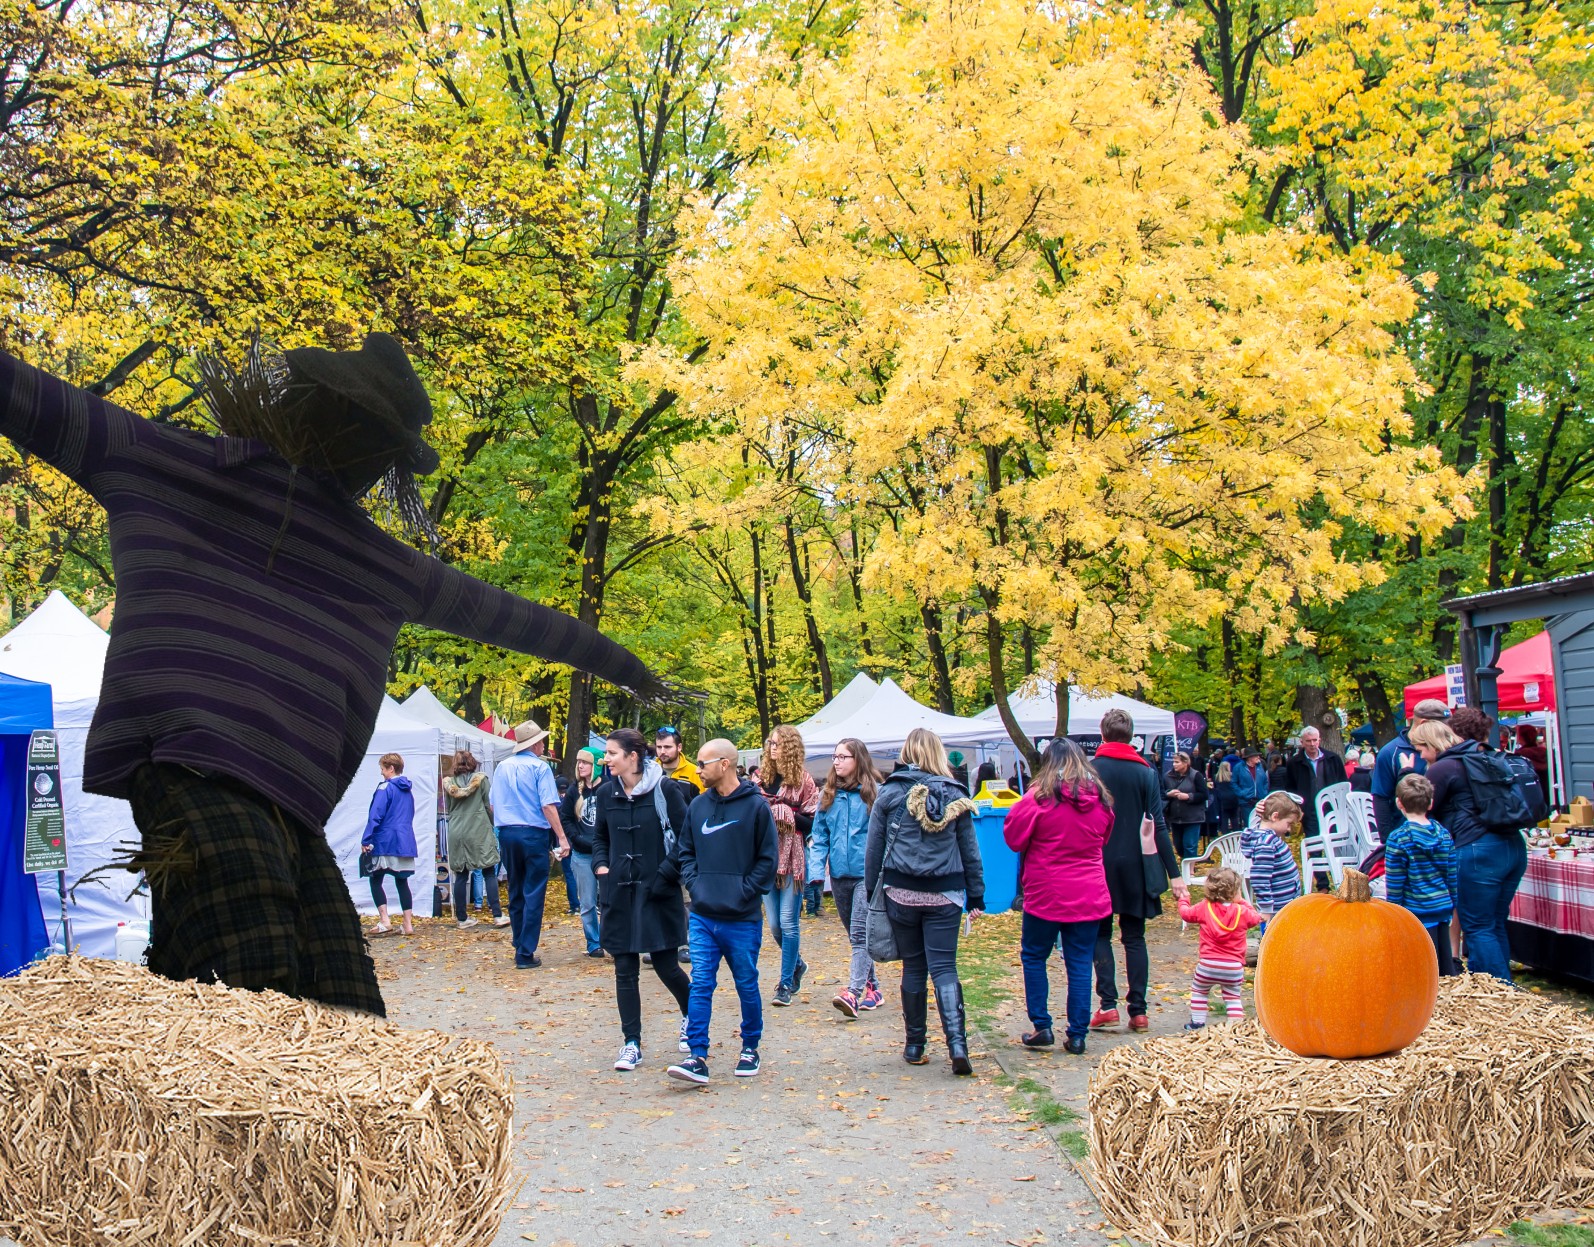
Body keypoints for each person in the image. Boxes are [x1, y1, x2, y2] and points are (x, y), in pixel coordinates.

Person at [0, 335, 660, 1016]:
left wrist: (633, 671)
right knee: (251, 955)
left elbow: (515, 618)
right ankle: (210, 1100)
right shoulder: (172, 464)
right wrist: (632, 671)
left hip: (286, 799)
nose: (370, 463)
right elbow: (27, 395)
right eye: (371, 443)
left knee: (346, 1001)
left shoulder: (372, 558)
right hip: (190, 759)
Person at [865, 728, 983, 1075]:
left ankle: (915, 1044)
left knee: (914, 967)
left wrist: (875, 890)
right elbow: (969, 851)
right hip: (945, 894)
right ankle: (957, 1045)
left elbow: (874, 850)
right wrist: (976, 893)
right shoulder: (956, 794)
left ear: (906, 752)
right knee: (945, 968)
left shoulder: (890, 792)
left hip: (900, 892)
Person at [666, 739, 778, 1084]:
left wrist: (745, 893)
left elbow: (767, 860)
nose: (697, 769)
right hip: (703, 915)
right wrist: (697, 887)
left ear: (725, 764)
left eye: (703, 763)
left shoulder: (756, 808)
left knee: (746, 982)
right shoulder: (698, 806)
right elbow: (685, 852)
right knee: (701, 983)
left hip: (742, 918)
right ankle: (697, 1056)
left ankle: (750, 1047)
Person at [1004, 739, 1115, 1054]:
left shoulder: (1038, 799)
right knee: (1079, 961)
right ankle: (1077, 1034)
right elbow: (1104, 837)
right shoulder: (1102, 800)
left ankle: (1042, 1025)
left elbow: (1013, 837)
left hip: (1046, 892)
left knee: (1034, 956)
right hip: (1089, 892)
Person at [593, 727, 691, 1071]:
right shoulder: (606, 794)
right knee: (624, 969)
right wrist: (601, 865)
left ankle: (691, 1016)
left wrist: (665, 874)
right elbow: (600, 838)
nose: (606, 760)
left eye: (612, 754)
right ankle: (631, 1042)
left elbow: (685, 839)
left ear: (633, 757)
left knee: (666, 966)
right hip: (618, 892)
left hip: (658, 891)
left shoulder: (666, 790)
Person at [1412, 712, 1528, 982]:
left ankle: (1496, 993)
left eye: (1421, 749)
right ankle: (1504, 986)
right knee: (1494, 922)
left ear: (1432, 744)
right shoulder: (1486, 756)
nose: (1420, 756)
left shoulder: (1445, 767)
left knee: (1477, 927)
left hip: (1477, 851)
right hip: (1512, 845)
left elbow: (1420, 809)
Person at [1090, 708, 1182, 1033]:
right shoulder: (1146, 772)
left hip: (1097, 861)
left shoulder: (1091, 770)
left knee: (1099, 933)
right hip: (1136, 863)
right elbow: (1158, 824)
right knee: (1134, 937)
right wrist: (1176, 873)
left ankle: (1106, 1005)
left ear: (1102, 735)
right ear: (1131, 737)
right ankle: (1139, 1012)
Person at [808, 737, 885, 1019]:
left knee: (860, 935)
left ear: (858, 760)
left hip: (867, 876)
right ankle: (873, 989)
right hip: (839, 876)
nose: (837, 761)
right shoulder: (828, 794)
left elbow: (885, 836)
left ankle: (852, 993)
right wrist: (816, 873)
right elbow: (819, 836)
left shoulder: (875, 794)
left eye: (843, 757)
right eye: (835, 756)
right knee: (855, 936)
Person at [493, 720, 572, 970]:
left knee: (515, 888)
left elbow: (493, 804)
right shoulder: (541, 768)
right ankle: (525, 951)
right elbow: (548, 805)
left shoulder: (502, 767)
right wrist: (561, 836)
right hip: (533, 834)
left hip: (507, 833)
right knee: (534, 890)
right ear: (536, 744)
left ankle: (519, 942)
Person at [758, 725, 820, 1007]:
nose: (773, 747)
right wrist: (772, 810)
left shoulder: (804, 782)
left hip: (793, 859)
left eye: (779, 744)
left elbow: (812, 822)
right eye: (771, 742)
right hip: (766, 859)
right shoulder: (761, 781)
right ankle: (798, 964)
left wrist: (788, 813)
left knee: (788, 923)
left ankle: (784, 984)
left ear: (790, 748)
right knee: (774, 926)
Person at [1383, 774, 1459, 976]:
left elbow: (1395, 882)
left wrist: (1395, 914)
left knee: (1421, 971)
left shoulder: (1399, 839)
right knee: (1443, 967)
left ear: (1399, 803)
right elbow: (1451, 875)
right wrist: (1453, 902)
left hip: (1415, 913)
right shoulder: (1443, 834)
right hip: (1442, 908)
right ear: (1431, 802)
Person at [1176, 868, 1263, 1029]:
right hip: (1234, 967)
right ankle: (1235, 1028)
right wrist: (1242, 900)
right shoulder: (1242, 911)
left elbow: (1186, 914)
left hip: (1208, 965)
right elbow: (1256, 918)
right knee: (1232, 996)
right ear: (1235, 891)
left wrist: (1183, 900)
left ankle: (1197, 1024)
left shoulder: (1204, 907)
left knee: (1200, 991)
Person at [442, 750, 507, 929]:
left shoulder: (449, 783)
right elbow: (488, 805)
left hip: (456, 830)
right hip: (478, 829)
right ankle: (497, 915)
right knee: (488, 871)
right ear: (472, 762)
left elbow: (448, 807)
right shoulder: (482, 780)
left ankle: (462, 919)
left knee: (461, 874)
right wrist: (495, 824)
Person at [1370, 699, 1449, 836]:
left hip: (1443, 837)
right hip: (1406, 837)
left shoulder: (1445, 747)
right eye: (1441, 727)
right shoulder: (1391, 752)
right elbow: (1380, 798)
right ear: (1423, 724)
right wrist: (1387, 839)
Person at [558, 746, 607, 957]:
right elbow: (565, 817)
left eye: (585, 762)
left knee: (608, 901)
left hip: (606, 853)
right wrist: (575, 838)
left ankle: (611, 940)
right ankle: (593, 943)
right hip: (582, 854)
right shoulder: (573, 791)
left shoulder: (609, 787)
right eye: (579, 762)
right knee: (587, 902)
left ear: (596, 764)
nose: (580, 765)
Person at [362, 753, 418, 936]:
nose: (381, 773)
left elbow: (375, 814)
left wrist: (366, 838)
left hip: (385, 840)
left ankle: (385, 920)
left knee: (375, 878)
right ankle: (407, 924)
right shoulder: (407, 790)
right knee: (402, 881)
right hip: (405, 840)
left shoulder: (385, 788)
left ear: (391, 768)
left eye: (382, 769)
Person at [1239, 792, 1304, 925]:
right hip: (1276, 910)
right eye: (1289, 823)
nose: (1289, 829)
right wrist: (1267, 908)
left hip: (1283, 906)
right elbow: (1260, 878)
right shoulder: (1266, 844)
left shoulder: (1270, 839)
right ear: (1275, 816)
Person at [1280, 727, 1349, 839]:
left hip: (1332, 808)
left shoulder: (1333, 759)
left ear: (1319, 740)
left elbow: (1343, 783)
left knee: (1336, 840)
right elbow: (1290, 788)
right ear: (1302, 742)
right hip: (1309, 810)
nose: (1312, 744)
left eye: (1314, 740)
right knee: (1314, 842)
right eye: (1308, 741)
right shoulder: (1294, 763)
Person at [1163, 752, 1208, 859]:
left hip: (1193, 817)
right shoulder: (1167, 776)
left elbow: (1204, 794)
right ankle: (1185, 864)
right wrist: (1168, 794)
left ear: (1186, 763)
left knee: (1190, 845)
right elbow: (1161, 793)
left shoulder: (1196, 775)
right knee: (1178, 845)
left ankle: (1190, 870)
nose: (1174, 764)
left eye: (1177, 762)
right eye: (1173, 762)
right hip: (1175, 817)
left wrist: (1188, 796)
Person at [655, 725, 704, 797]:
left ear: (679, 747)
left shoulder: (695, 773)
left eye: (667, 747)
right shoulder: (650, 771)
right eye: (659, 747)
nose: (662, 751)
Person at [1515, 725, 1550, 798]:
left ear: (1521, 737)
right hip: (1548, 792)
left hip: (1530, 794)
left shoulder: (1520, 755)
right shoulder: (1546, 752)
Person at [1212, 762, 1240, 833]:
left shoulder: (1217, 777)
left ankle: (1225, 834)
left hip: (1222, 799)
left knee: (1224, 818)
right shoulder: (1232, 775)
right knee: (1234, 817)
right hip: (1233, 798)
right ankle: (1236, 833)